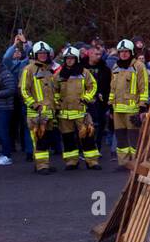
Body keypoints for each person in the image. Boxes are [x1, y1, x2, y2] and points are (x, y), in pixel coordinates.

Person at [54, 45, 99, 171]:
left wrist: (86, 98)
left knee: (87, 137)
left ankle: (92, 161)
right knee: (68, 138)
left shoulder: (84, 73)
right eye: (67, 58)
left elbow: (93, 86)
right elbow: (55, 90)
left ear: (77, 59)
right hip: (64, 113)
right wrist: (57, 102)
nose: (69, 60)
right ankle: (71, 161)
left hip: (81, 111)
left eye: (71, 58)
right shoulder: (59, 74)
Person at [21, 41, 61, 174]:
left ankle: (42, 164)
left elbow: (53, 90)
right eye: (40, 53)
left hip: (48, 112)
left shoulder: (48, 69)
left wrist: (55, 106)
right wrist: (34, 105)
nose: (43, 55)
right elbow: (24, 90)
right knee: (39, 139)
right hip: (36, 113)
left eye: (45, 53)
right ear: (35, 54)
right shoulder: (28, 69)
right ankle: (42, 166)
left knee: (46, 139)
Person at [109, 39, 148, 170]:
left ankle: (136, 164)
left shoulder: (138, 66)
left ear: (131, 52)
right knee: (121, 139)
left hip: (133, 109)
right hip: (117, 110)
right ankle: (124, 163)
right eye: (121, 52)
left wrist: (142, 107)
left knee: (134, 139)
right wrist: (110, 105)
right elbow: (112, 88)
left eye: (126, 52)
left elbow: (144, 88)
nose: (124, 54)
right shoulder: (115, 67)